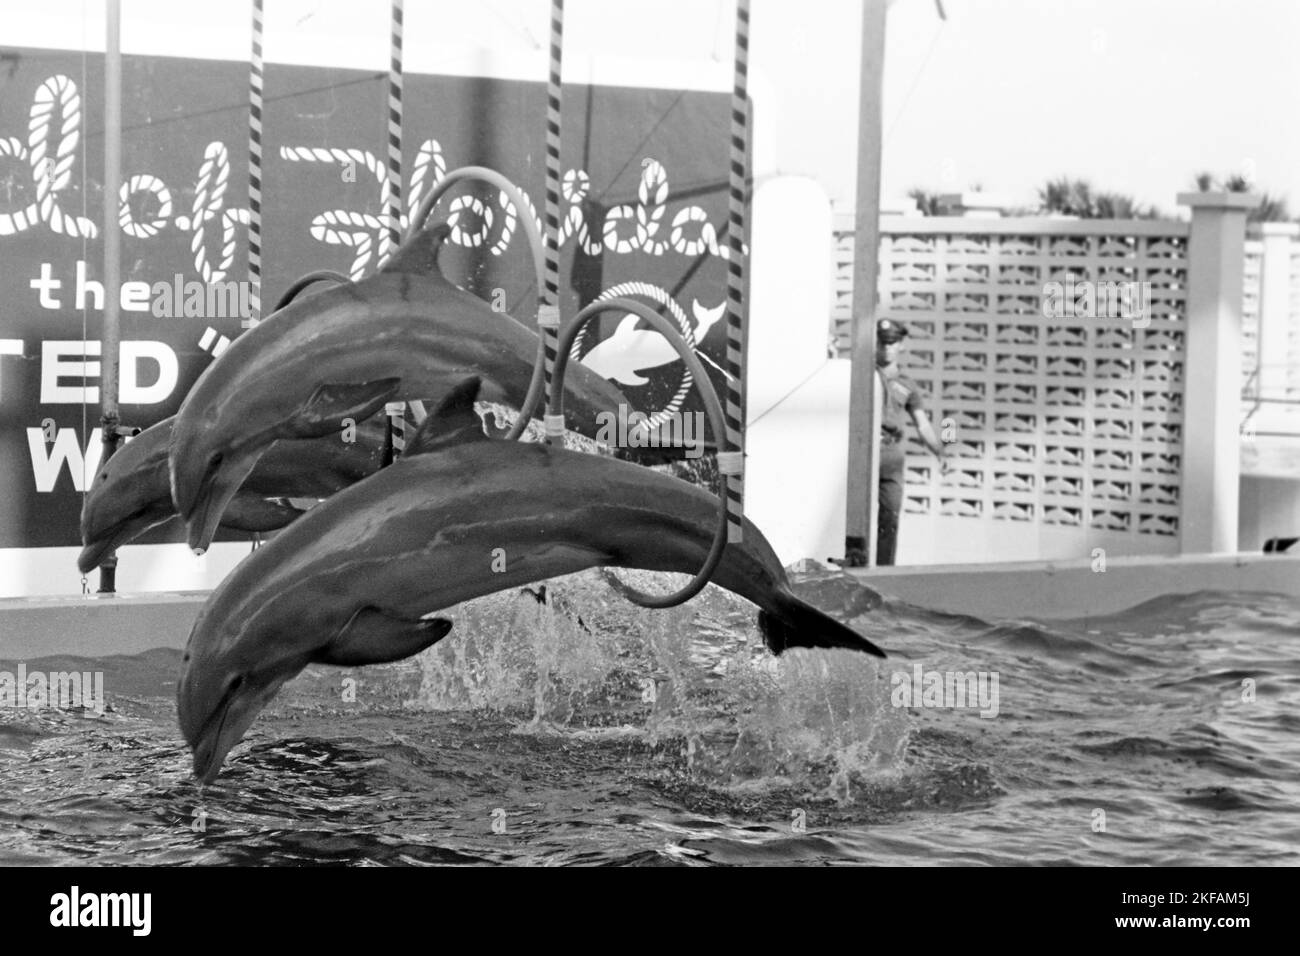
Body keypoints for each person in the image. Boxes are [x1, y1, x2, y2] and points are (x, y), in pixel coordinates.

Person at [846, 318, 948, 567]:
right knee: (854, 514)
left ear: (901, 345)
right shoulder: (863, 374)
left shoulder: (907, 384)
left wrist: (938, 450)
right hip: (865, 450)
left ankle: (884, 568)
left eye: (892, 343)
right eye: (882, 343)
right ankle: (854, 564)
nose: (887, 348)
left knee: (890, 513)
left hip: (891, 453)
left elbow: (921, 423)